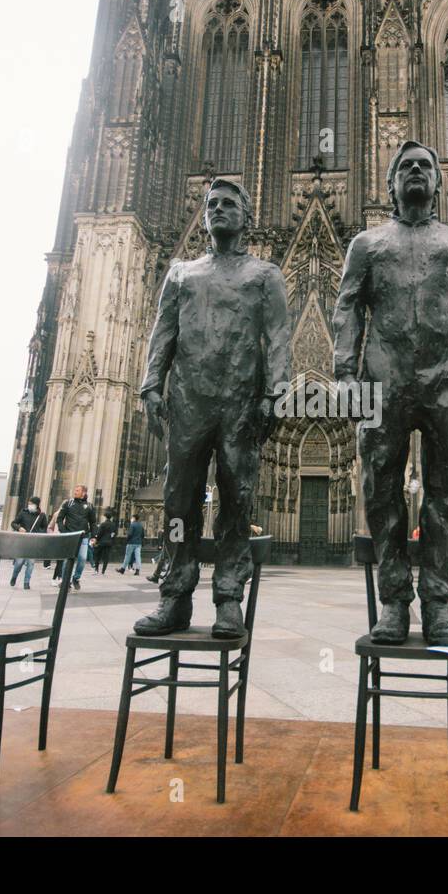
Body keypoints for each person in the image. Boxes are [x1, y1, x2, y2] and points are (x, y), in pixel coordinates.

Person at [333, 141, 448, 646]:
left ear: (438, 183)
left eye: (425, 166)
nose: (416, 172)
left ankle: (437, 604)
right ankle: (394, 603)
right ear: (390, 184)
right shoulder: (367, 244)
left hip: (446, 381)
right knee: (381, 494)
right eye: (405, 166)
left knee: (445, 496)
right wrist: (344, 374)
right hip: (383, 383)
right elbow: (347, 311)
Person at [133, 177, 291, 639]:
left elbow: (279, 339)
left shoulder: (265, 276)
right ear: (204, 217)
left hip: (240, 402)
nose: (219, 209)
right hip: (188, 400)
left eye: (229, 203)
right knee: (179, 501)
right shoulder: (181, 273)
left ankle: (227, 598)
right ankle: (176, 594)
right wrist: (150, 386)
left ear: (246, 217)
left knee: (237, 500)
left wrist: (273, 395)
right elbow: (162, 333)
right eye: (212, 204)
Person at [51, 484, 97, 591]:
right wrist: (63, 531)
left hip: (83, 536)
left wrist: (94, 536)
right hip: (70, 536)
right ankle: (65, 581)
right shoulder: (68, 503)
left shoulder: (89, 506)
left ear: (83, 493)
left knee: (82, 558)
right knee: (68, 559)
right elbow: (60, 518)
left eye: (77, 490)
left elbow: (93, 522)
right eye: (75, 490)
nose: (75, 492)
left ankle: (76, 578)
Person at [9, 497, 47, 589]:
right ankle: (14, 576)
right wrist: (19, 528)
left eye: (31, 504)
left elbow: (44, 528)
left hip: (34, 542)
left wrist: (37, 533)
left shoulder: (41, 515)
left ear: (37, 504)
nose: (29, 505)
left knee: (31, 563)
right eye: (29, 503)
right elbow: (13, 523)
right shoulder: (23, 512)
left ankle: (26, 582)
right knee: (19, 562)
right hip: (23, 541)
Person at [93, 509, 116, 574]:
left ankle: (96, 570)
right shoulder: (113, 525)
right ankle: (103, 571)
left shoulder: (103, 524)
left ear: (105, 517)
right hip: (109, 542)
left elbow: (99, 533)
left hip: (101, 542)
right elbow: (113, 534)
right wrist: (111, 540)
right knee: (106, 557)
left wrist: (96, 539)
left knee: (98, 556)